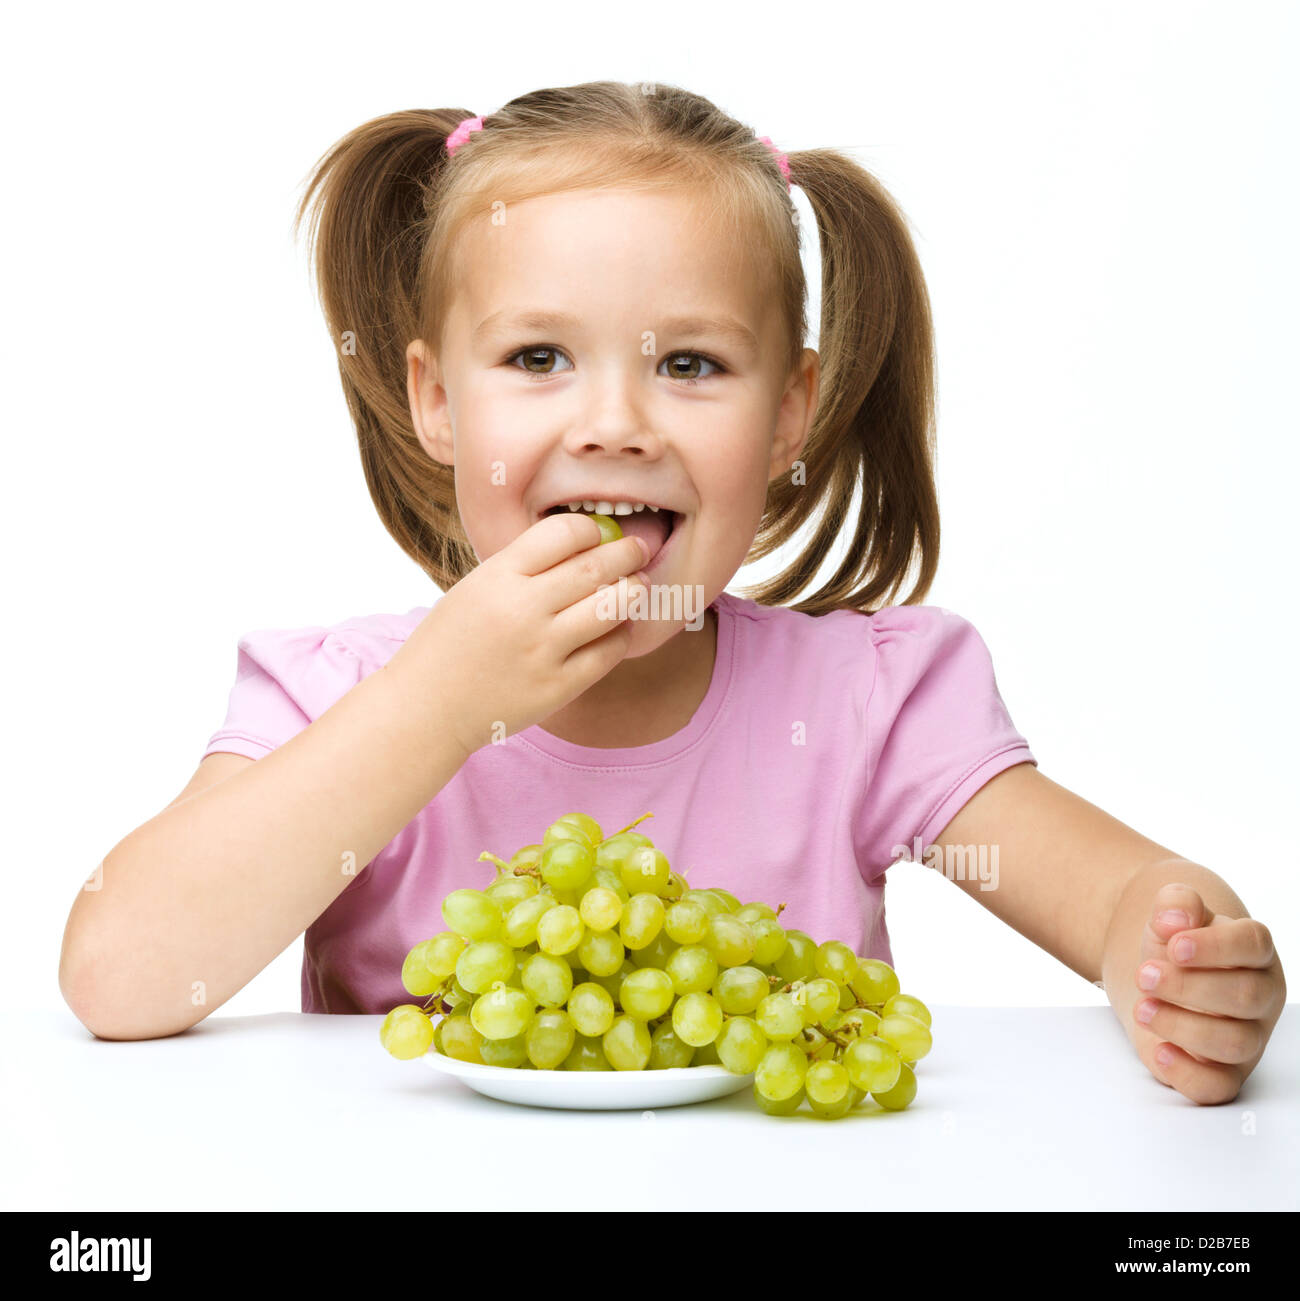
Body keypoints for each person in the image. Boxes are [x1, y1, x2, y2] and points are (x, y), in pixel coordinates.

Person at [58, 80, 1285, 1104]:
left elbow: (1126, 896)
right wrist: (438, 701)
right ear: (438, 400)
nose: (614, 422)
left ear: (789, 411)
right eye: (538, 358)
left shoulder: (865, 702)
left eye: (691, 363)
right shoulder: (334, 696)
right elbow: (121, 976)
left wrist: (1178, 960)